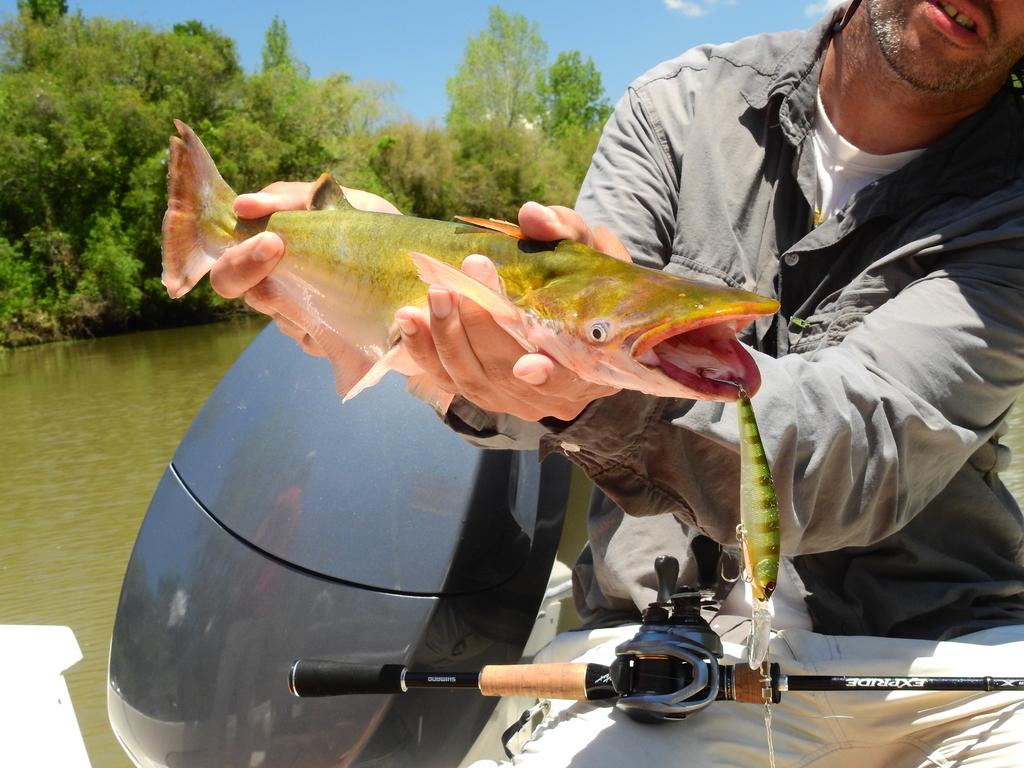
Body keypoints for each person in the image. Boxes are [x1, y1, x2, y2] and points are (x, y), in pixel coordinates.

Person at [209, 0, 1024, 764]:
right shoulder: (674, 109)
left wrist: (597, 386)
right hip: (662, 647)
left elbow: (856, 453)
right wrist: (381, 277)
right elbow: (546, 382)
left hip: (948, 658)